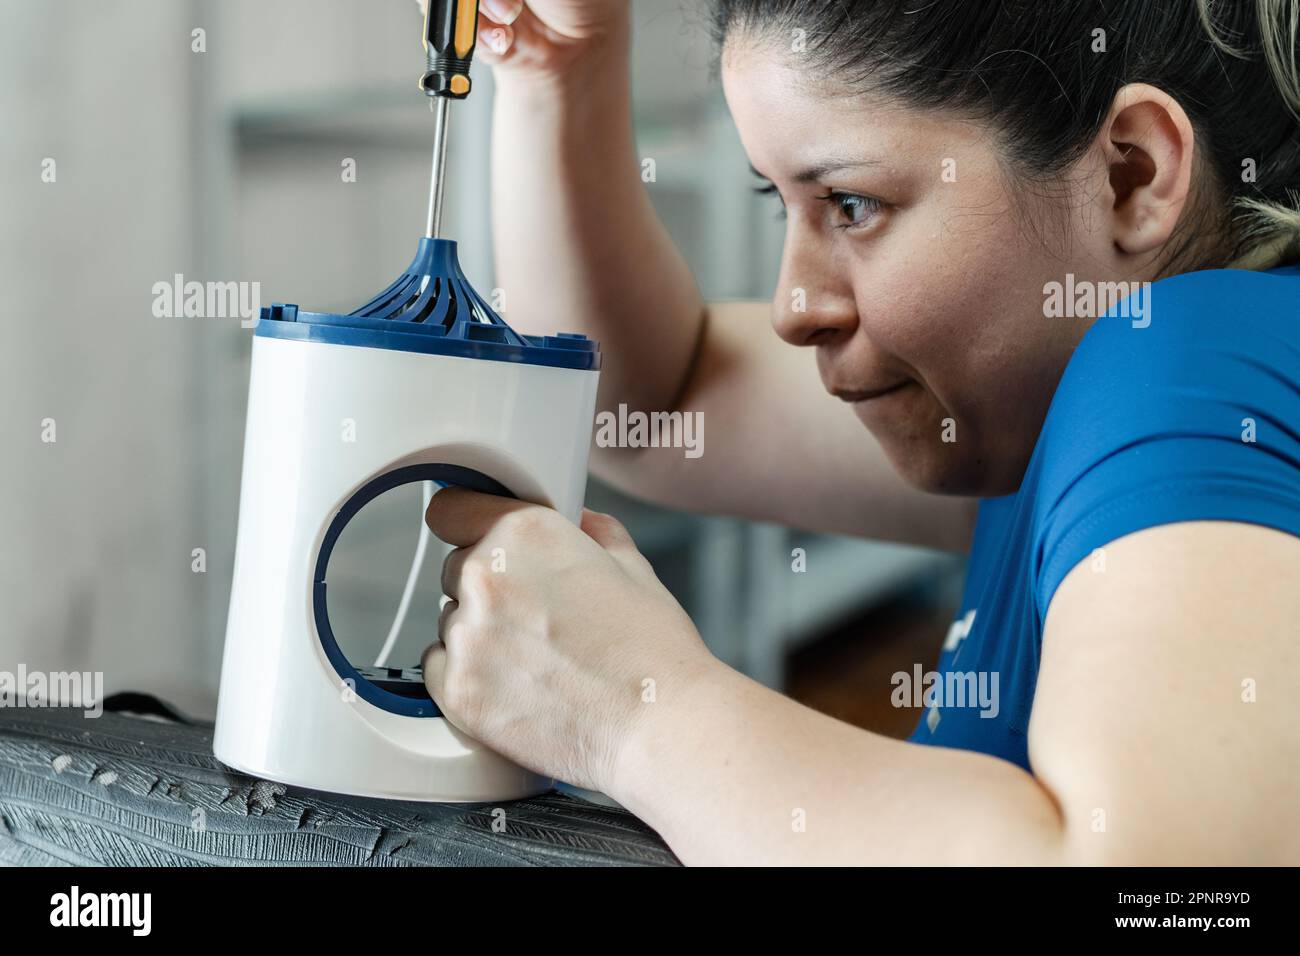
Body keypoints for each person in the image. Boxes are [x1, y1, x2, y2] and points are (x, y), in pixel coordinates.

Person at [419, 0, 1300, 865]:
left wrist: (633, 714)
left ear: (1129, 175)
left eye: (851, 204)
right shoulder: (1067, 407)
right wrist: (553, 74)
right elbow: (661, 406)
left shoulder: (1187, 354)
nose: (791, 309)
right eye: (782, 201)